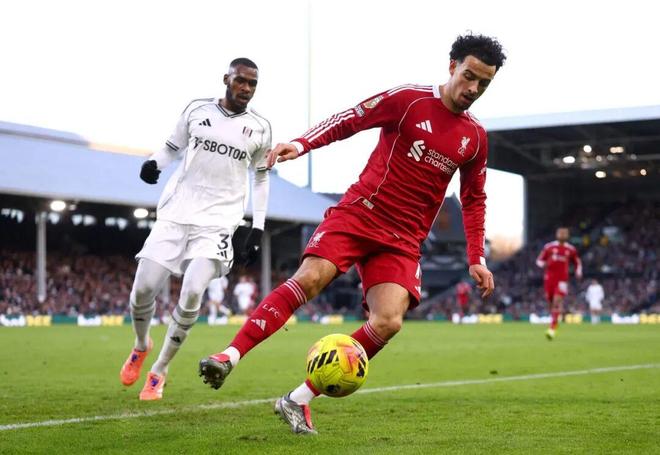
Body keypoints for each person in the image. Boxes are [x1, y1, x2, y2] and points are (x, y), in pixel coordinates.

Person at [199, 33, 505, 434]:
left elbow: (474, 198)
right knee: (309, 279)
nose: (473, 88)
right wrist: (302, 144)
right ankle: (229, 356)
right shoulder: (408, 100)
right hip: (361, 213)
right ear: (452, 66)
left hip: (403, 240)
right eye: (469, 76)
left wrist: (476, 257)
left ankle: (298, 398)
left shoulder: (475, 138)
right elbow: (352, 118)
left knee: (388, 322)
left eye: (484, 83)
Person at [119, 57, 272, 400]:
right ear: (226, 79)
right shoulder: (197, 110)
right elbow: (171, 148)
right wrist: (152, 163)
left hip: (218, 222)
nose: (246, 88)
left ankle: (159, 370)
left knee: (192, 291)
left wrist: (258, 227)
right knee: (143, 289)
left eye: (252, 83)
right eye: (240, 80)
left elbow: (261, 178)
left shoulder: (260, 128)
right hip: (176, 213)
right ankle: (141, 345)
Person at [536, 227, 582, 340]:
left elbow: (577, 262)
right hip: (549, 279)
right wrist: (544, 264)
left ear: (567, 235)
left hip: (562, 280)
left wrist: (578, 271)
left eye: (564, 233)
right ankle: (556, 319)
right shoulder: (549, 247)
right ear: (557, 234)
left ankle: (552, 329)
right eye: (560, 233)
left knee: (557, 302)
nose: (562, 235)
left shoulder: (571, 249)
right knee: (550, 302)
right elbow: (539, 261)